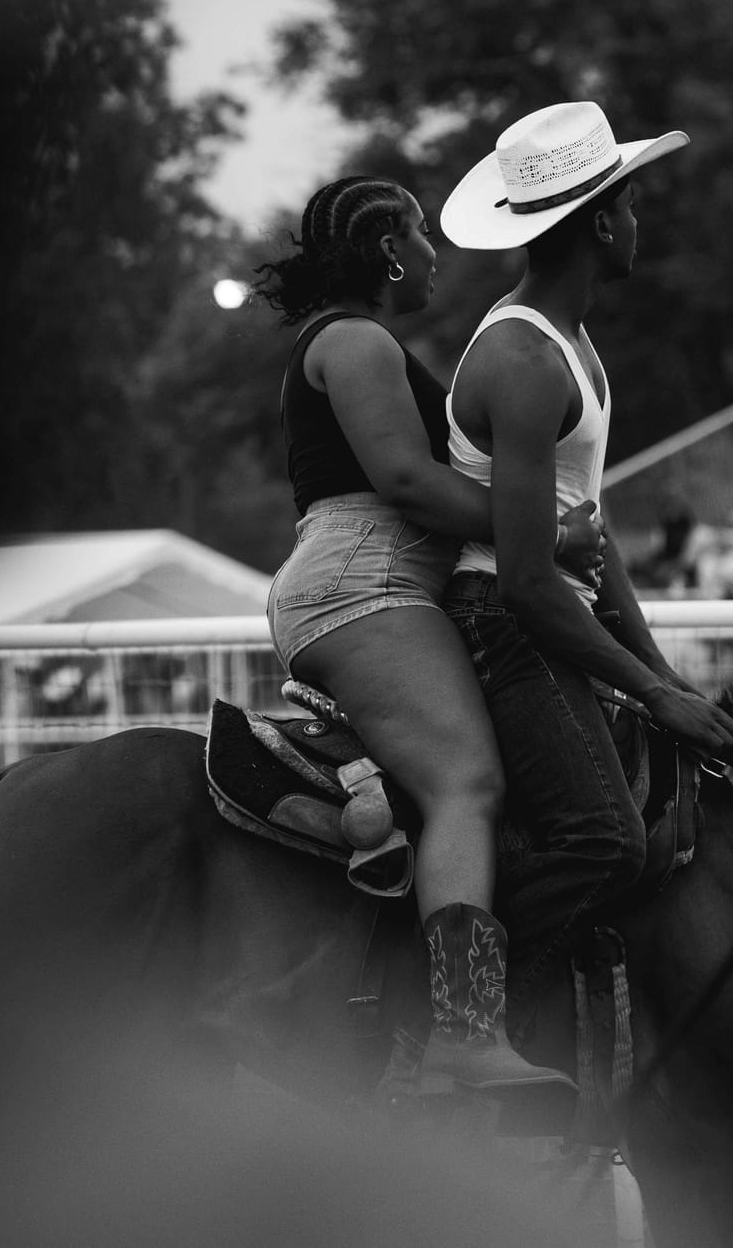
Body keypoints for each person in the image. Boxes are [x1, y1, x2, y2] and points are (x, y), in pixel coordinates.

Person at [253, 176, 600, 1094]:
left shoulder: (353, 340)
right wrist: (547, 533)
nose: (439, 255)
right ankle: (464, 1028)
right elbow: (406, 482)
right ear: (387, 253)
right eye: (421, 235)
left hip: (375, 577)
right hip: (367, 577)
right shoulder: (357, 340)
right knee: (466, 779)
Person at [435, 102, 733, 1021]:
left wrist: (661, 673)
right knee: (604, 837)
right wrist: (654, 694)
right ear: (601, 223)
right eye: (632, 204)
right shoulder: (527, 360)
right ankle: (468, 1021)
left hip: (541, 619)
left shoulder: (566, 344)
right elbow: (529, 579)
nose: (639, 220)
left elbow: (593, 548)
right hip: (505, 622)